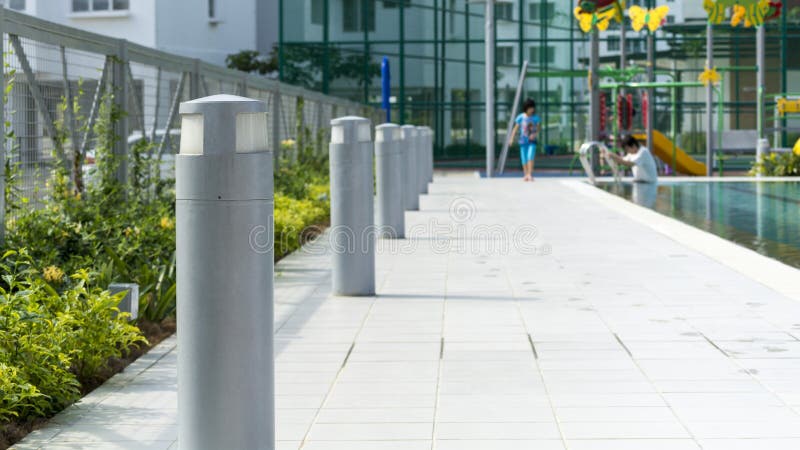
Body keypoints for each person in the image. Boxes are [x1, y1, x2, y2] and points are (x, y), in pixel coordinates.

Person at [508, 98, 541, 182]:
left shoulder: (536, 118)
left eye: (532, 108)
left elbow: (538, 128)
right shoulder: (520, 117)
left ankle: (530, 174)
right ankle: (525, 174)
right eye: (530, 108)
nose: (532, 109)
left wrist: (535, 133)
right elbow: (515, 129)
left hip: (532, 141)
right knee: (524, 158)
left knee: (530, 156)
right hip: (523, 141)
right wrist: (511, 138)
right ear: (526, 108)